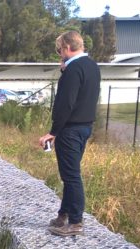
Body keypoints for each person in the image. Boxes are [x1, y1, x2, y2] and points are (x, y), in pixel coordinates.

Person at [39, 30, 100, 237]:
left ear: (67, 47)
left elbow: (66, 103)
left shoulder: (73, 70)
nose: (59, 55)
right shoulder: (92, 66)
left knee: (72, 176)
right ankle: (63, 214)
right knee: (69, 173)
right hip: (85, 127)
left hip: (70, 129)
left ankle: (75, 222)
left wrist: (53, 132)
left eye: (59, 50)